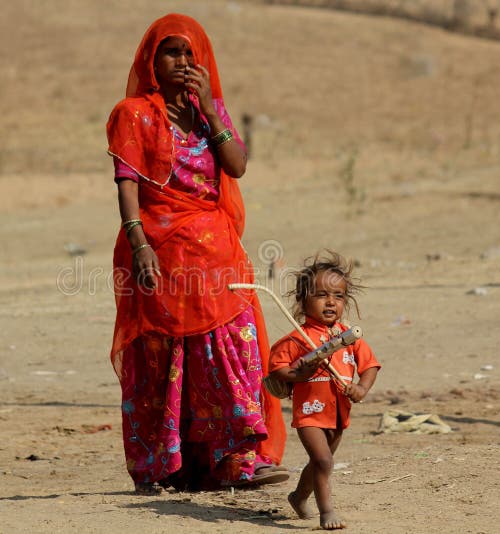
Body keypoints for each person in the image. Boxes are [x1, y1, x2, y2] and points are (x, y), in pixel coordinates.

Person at [105, 13, 287, 493]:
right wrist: (138, 241)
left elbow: (238, 167)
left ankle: (237, 460)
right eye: (172, 52)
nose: (183, 62)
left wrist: (209, 107)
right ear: (152, 60)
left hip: (219, 254)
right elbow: (127, 183)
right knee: (166, 357)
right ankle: (171, 464)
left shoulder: (210, 108)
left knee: (233, 348)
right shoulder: (134, 114)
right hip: (161, 251)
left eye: (190, 53)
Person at [269, 251, 381, 530]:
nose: (331, 302)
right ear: (302, 299)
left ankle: (298, 496)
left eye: (338, 296)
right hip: (309, 412)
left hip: (338, 412)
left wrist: (361, 387)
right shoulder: (297, 339)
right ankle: (326, 511)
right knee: (322, 459)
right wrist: (302, 371)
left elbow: (370, 365)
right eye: (321, 295)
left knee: (321, 463)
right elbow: (278, 370)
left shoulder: (347, 336)